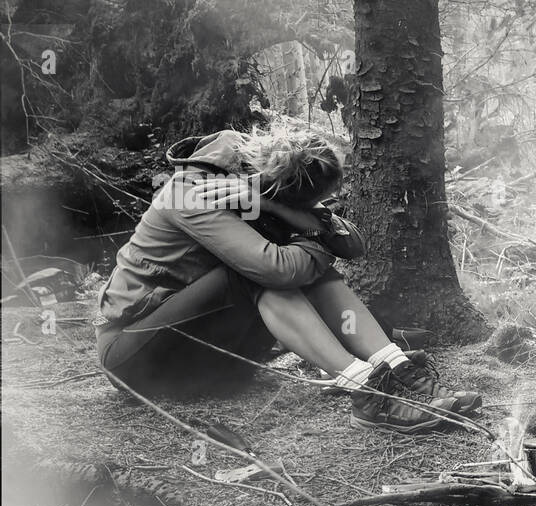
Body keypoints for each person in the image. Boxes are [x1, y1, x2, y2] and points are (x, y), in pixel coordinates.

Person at [95, 127, 481, 433]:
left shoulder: (261, 178)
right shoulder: (190, 194)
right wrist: (314, 237)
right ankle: (364, 387)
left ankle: (398, 370)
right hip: (135, 357)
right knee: (258, 274)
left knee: (307, 267)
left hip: (214, 362)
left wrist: (270, 206)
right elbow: (275, 270)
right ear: (273, 182)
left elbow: (353, 243)